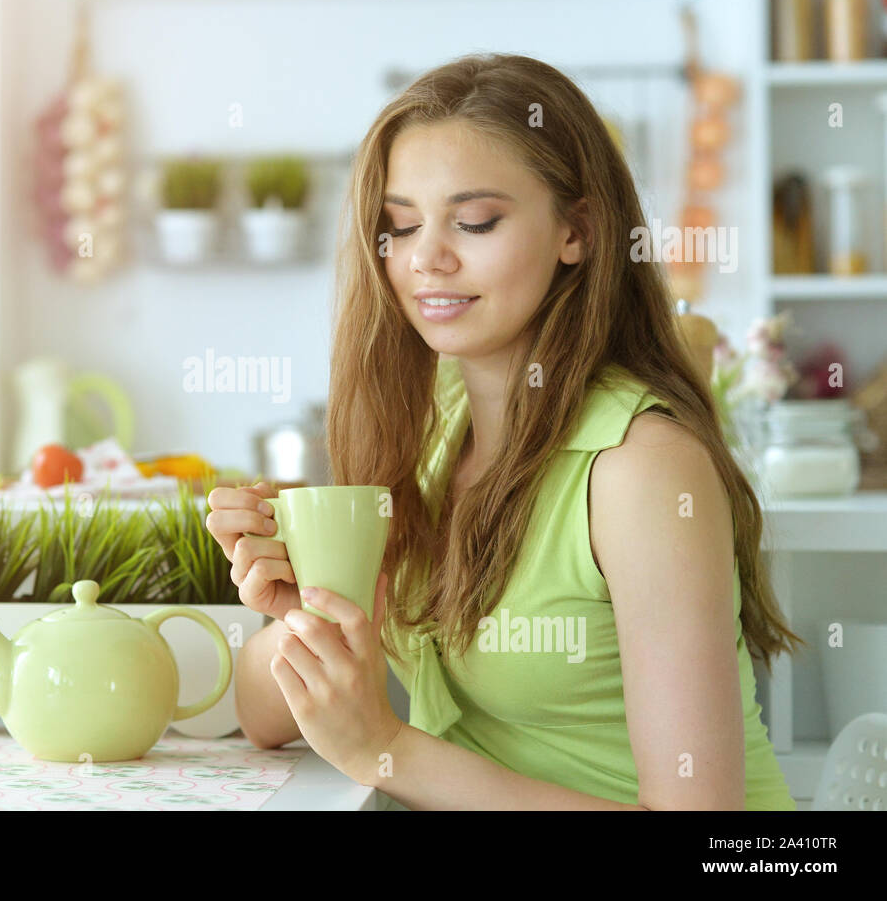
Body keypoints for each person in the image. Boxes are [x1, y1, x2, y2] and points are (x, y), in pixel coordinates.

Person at [205, 53, 801, 810]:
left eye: (476, 221)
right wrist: (306, 613)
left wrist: (387, 749)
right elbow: (258, 717)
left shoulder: (642, 470)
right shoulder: (436, 431)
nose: (427, 258)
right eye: (401, 225)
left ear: (576, 231)